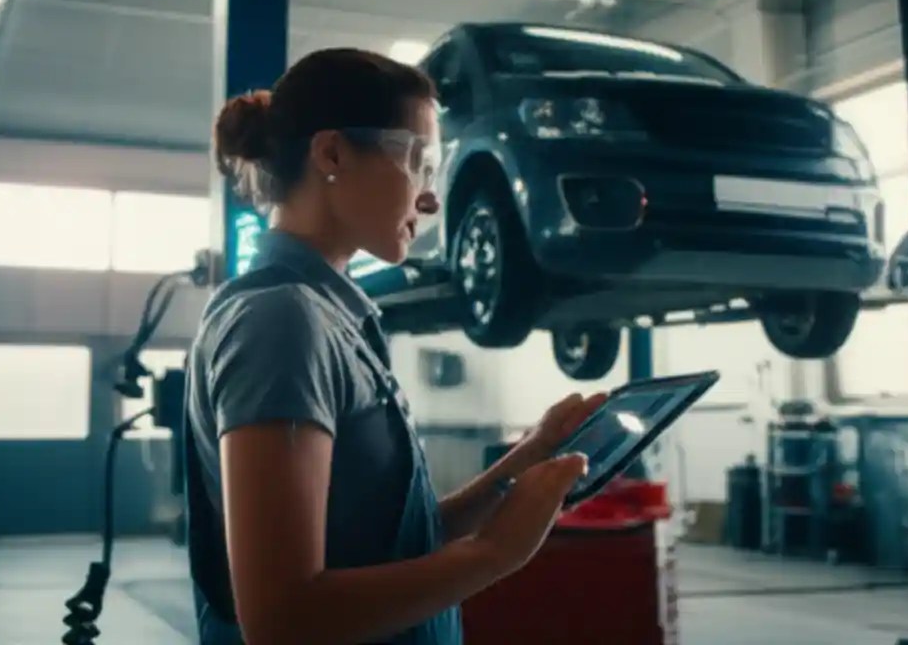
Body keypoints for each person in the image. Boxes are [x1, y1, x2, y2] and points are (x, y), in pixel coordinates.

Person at [184, 47, 606, 645]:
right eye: (417, 161)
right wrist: (494, 553)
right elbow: (283, 619)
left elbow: (395, 542)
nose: (431, 198)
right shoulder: (280, 321)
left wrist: (529, 458)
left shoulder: (329, 317)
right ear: (332, 154)